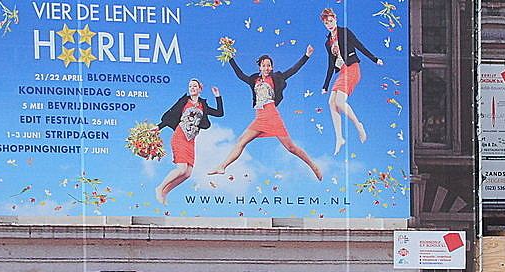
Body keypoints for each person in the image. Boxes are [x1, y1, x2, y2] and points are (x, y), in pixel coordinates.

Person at [209, 47, 322, 180]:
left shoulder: (277, 78)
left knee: (290, 147)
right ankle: (222, 166)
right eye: (264, 65)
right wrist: (230, 58)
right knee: (241, 141)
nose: (267, 68)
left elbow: (293, 70)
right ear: (260, 67)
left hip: (271, 114)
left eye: (269, 65)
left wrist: (306, 56)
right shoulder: (254, 80)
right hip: (260, 116)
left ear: (272, 67)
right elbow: (240, 75)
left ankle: (313, 166)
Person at [319, 7, 383, 155]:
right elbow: (330, 64)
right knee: (331, 102)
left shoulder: (344, 32)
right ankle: (339, 138)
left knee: (340, 101)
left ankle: (358, 125)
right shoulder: (328, 42)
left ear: (335, 19)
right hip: (342, 72)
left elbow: (359, 45)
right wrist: (325, 85)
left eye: (331, 20)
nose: (329, 24)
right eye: (326, 22)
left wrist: (375, 59)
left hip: (352, 69)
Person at [155, 78, 224, 204]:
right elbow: (170, 115)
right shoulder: (184, 101)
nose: (192, 88)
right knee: (181, 168)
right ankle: (160, 188)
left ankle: (165, 192)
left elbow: (220, 113)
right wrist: (158, 127)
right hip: (180, 135)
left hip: (191, 140)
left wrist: (217, 96)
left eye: (194, 86)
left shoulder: (203, 105)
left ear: (199, 89)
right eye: (190, 86)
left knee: (187, 173)